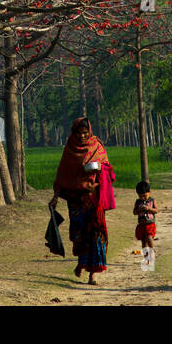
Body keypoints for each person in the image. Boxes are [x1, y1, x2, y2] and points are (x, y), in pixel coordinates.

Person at [49, 117, 113, 285]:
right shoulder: (69, 149)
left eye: (85, 133)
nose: (82, 136)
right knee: (79, 234)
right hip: (75, 199)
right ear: (74, 133)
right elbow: (63, 173)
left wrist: (100, 168)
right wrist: (56, 195)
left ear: (89, 132)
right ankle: (82, 263)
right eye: (79, 133)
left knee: (96, 234)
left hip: (93, 197)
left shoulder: (97, 147)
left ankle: (94, 273)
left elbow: (107, 168)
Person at [133, 180, 157, 256]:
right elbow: (134, 212)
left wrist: (149, 209)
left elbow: (156, 210)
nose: (143, 198)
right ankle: (146, 257)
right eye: (140, 196)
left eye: (144, 196)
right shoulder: (138, 202)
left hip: (150, 224)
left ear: (149, 192)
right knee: (143, 241)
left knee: (149, 237)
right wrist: (139, 210)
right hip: (141, 224)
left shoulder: (152, 200)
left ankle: (152, 249)